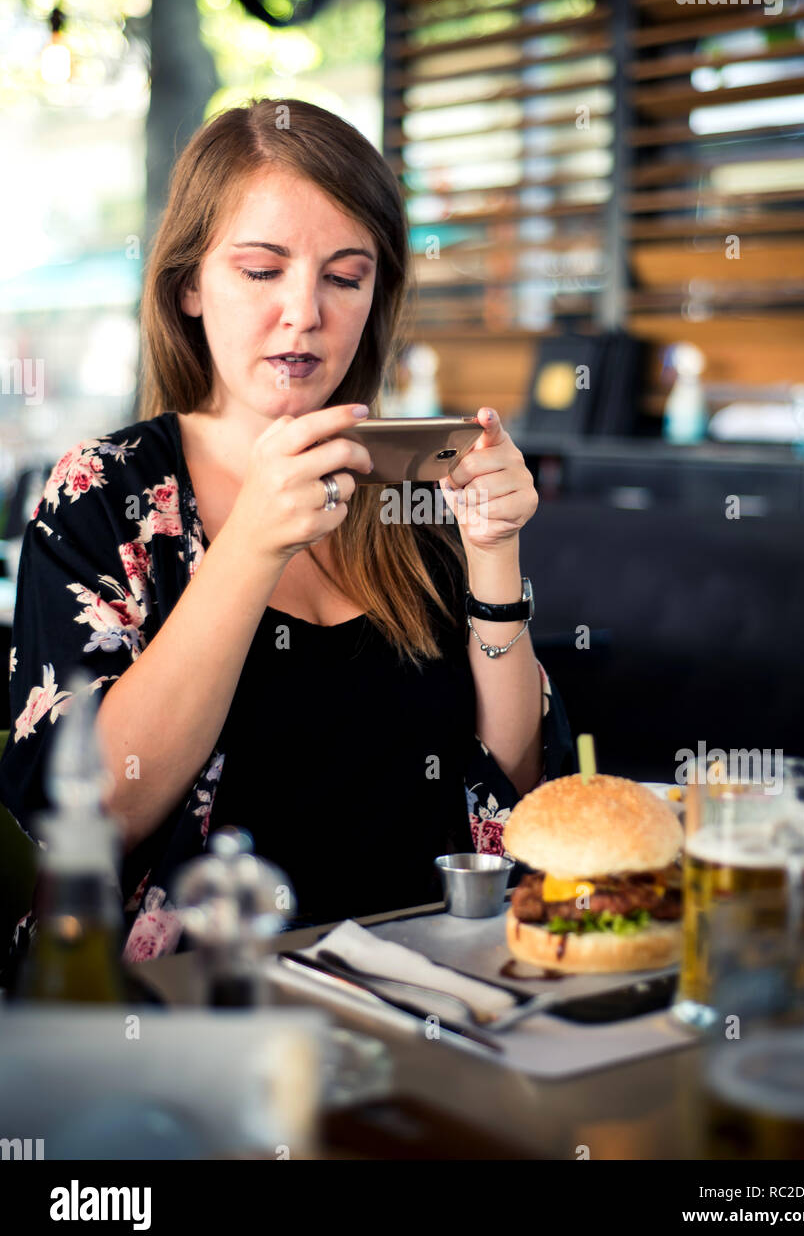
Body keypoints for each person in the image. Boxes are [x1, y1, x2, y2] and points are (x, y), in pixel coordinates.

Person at [0, 97, 576, 971]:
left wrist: (494, 554)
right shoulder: (106, 492)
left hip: (435, 989)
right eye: (261, 270)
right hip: (190, 1020)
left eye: (345, 277)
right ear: (190, 284)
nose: (304, 312)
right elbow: (91, 817)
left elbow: (513, 793)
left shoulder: (412, 491)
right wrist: (249, 549)